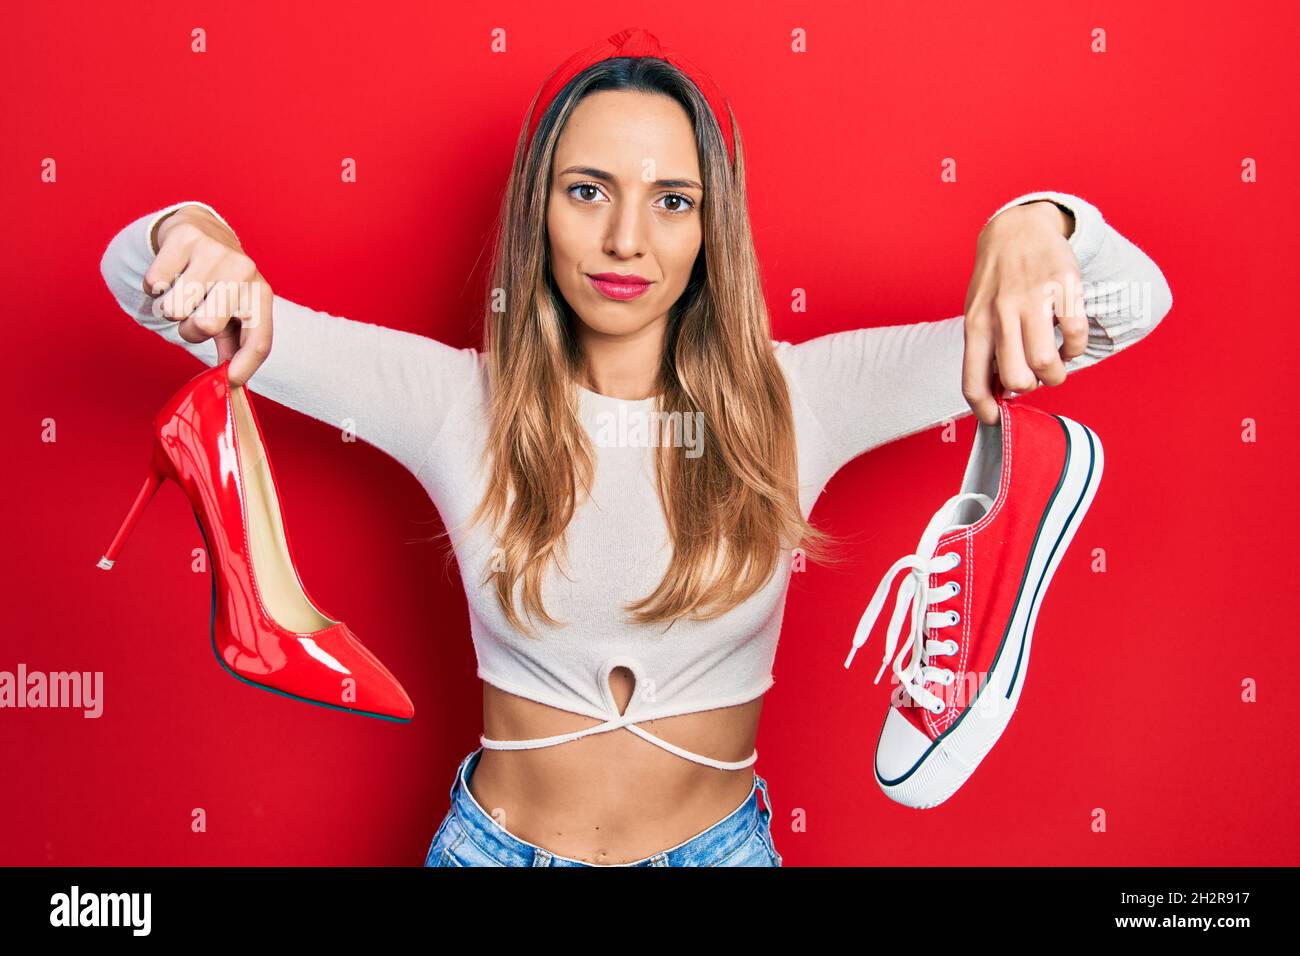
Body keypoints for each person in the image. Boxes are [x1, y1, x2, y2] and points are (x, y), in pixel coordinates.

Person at [98, 27, 1173, 866]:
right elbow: (136, 282)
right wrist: (201, 238)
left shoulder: (796, 397)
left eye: (671, 200)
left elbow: (1133, 306)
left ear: (712, 228)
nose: (626, 241)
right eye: (586, 193)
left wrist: (1035, 226)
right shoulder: (450, 399)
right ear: (540, 212)